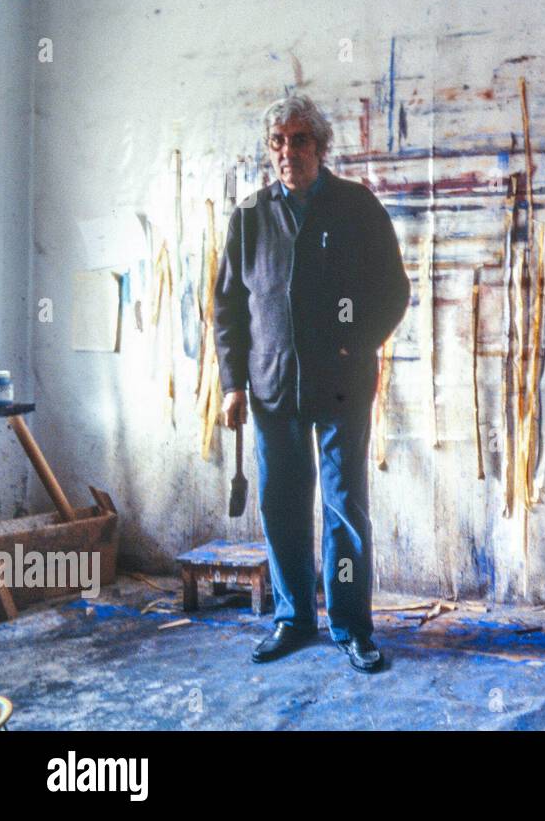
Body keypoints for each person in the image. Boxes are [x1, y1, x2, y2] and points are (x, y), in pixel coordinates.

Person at [214, 95, 409, 672]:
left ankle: (351, 626)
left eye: (299, 140)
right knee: (281, 506)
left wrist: (356, 340)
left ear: (321, 147)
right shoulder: (250, 216)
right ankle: (294, 619)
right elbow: (227, 308)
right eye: (277, 141)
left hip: (342, 384)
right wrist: (232, 384)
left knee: (344, 509)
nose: (287, 152)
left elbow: (392, 288)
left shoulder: (355, 206)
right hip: (272, 385)